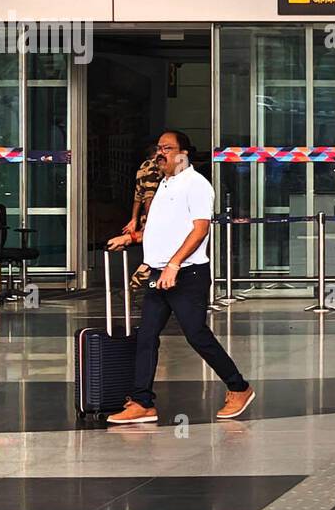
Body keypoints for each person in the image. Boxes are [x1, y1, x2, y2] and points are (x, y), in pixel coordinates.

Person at [104, 130, 255, 424]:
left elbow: (199, 230)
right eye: (159, 148)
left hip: (187, 274)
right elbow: (162, 227)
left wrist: (174, 264)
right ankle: (142, 402)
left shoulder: (196, 185)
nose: (161, 153)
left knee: (196, 335)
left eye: (168, 148)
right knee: (146, 336)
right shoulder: (165, 183)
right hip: (161, 273)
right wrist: (132, 238)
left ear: (183, 153)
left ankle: (239, 388)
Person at [122, 142, 163, 287]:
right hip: (154, 214)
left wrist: (134, 218)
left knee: (153, 252)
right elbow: (149, 195)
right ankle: (137, 280)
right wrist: (153, 218)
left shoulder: (143, 166)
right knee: (158, 252)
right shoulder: (153, 167)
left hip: (147, 215)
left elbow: (138, 195)